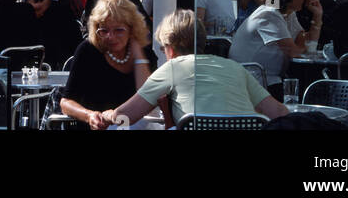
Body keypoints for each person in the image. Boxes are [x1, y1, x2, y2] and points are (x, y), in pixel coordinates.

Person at [103, 10, 289, 128]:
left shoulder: (173, 67)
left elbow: (126, 116)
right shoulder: (235, 67)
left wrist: (108, 114)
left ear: (170, 48)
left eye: (162, 48)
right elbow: (279, 113)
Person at [60, 0, 152, 129]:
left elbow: (147, 99)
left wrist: (138, 56)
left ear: (132, 29)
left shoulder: (145, 53)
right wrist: (89, 115)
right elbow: (66, 102)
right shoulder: (88, 51)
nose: (111, 36)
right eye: (104, 30)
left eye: (119, 30)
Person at [229, 0, 322, 93]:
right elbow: (295, 52)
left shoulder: (287, 14)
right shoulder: (269, 14)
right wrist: (303, 45)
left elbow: (305, 45)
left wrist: (317, 17)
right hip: (253, 84)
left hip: (265, 81)